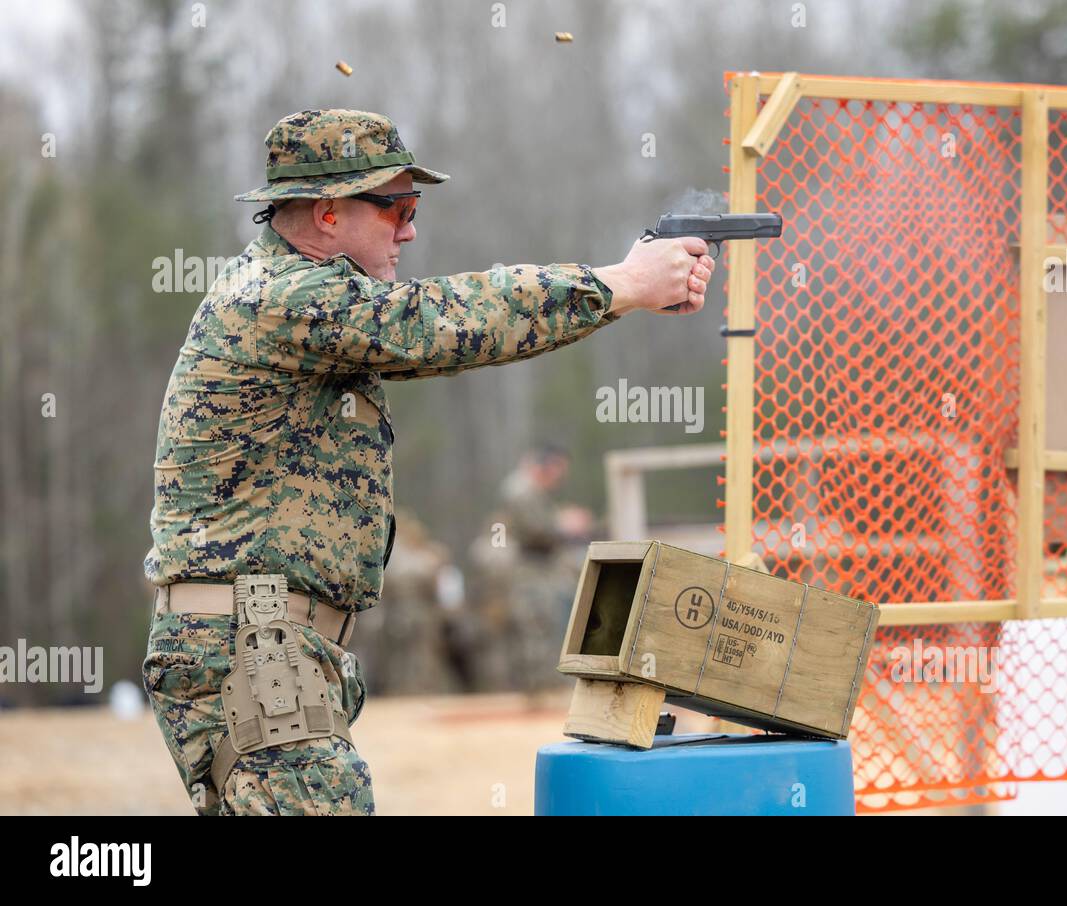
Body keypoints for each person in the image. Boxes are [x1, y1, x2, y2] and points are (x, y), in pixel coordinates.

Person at [140, 108, 715, 815]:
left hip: (265, 648)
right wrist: (622, 284)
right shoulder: (287, 298)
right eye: (396, 208)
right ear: (325, 214)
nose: (410, 230)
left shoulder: (285, 295)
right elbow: (444, 322)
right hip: (251, 649)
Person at [495, 445, 592, 696]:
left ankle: (541, 687)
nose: (557, 480)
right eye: (556, 473)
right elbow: (536, 532)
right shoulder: (523, 491)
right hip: (531, 570)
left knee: (543, 626)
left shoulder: (527, 491)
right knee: (536, 627)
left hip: (537, 568)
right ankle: (539, 688)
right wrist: (565, 525)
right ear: (546, 467)